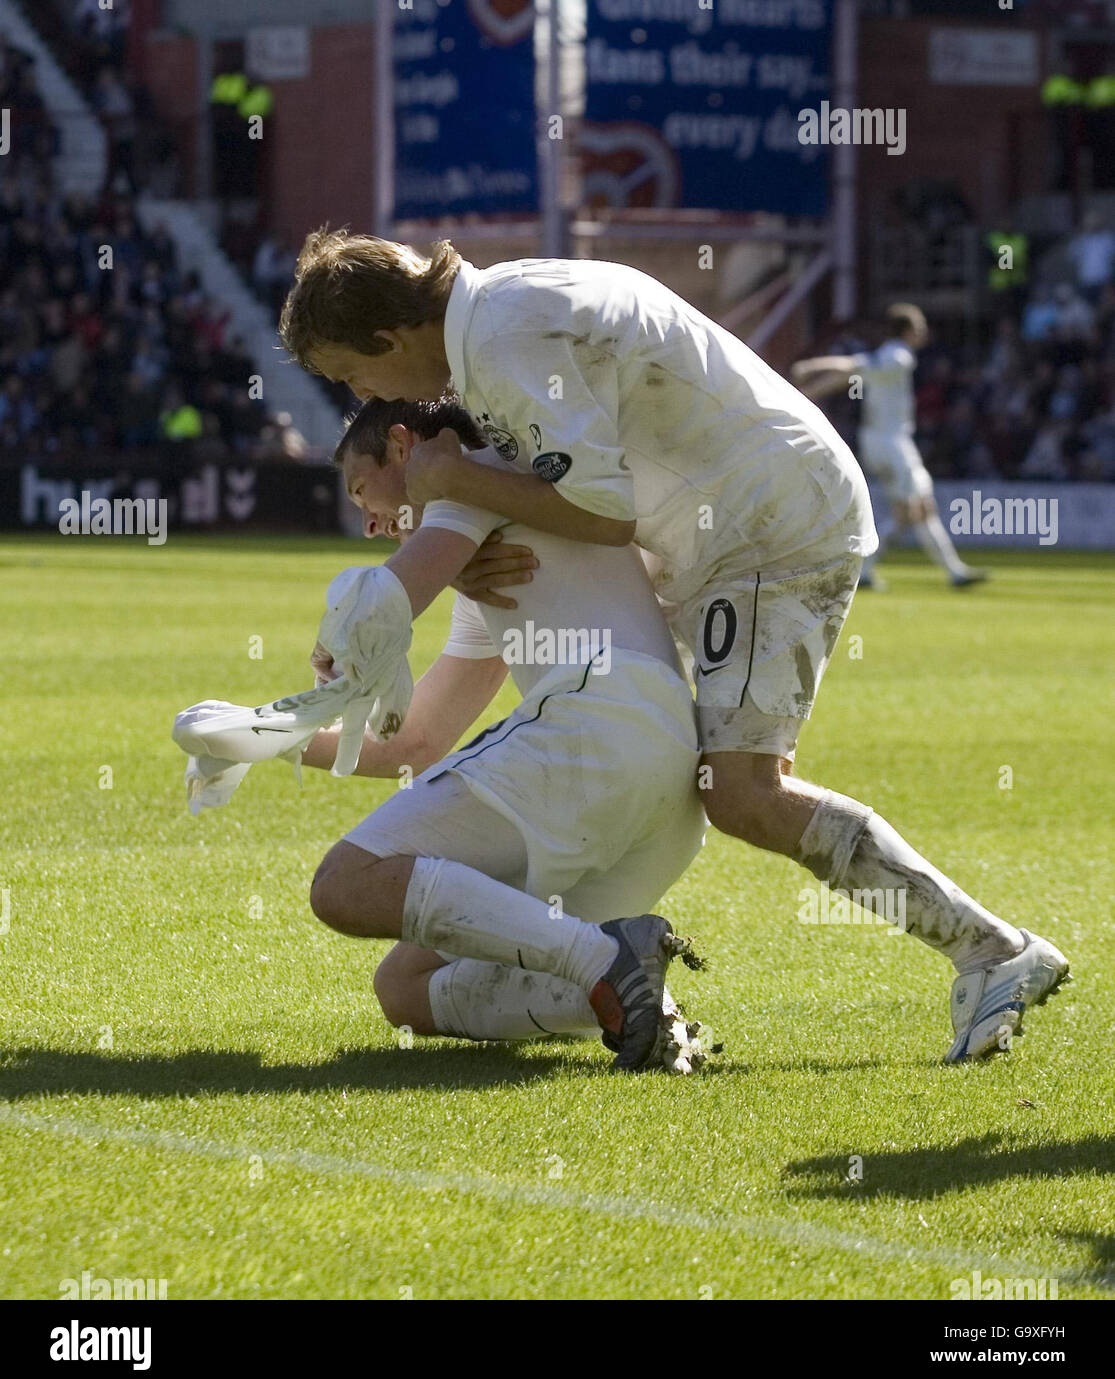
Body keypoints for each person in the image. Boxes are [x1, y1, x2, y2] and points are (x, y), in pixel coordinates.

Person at [278, 236, 1070, 1063]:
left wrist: (454, 484)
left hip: (761, 525)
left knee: (742, 790)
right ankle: (614, 972)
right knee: (727, 789)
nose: (358, 393)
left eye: (348, 374)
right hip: (742, 521)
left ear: (386, 339)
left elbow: (604, 513)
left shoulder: (502, 338)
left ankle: (991, 950)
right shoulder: (510, 303)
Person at [180, 396, 708, 1072]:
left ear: (404, 449)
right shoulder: (496, 532)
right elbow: (414, 743)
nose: (368, 522)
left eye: (362, 489)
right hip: (667, 799)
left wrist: (333, 663)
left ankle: (605, 958)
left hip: (603, 723)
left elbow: (379, 608)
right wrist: (264, 735)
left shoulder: (474, 474)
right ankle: (641, 1000)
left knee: (344, 884)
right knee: (403, 990)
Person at [792, 303, 986, 589]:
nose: (923, 333)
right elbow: (851, 366)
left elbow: (848, 373)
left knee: (907, 514)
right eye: (919, 328)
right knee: (920, 508)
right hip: (891, 443)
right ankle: (951, 572)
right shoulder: (898, 356)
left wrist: (806, 390)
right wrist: (812, 366)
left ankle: (869, 571)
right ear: (907, 331)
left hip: (881, 441)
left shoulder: (886, 355)